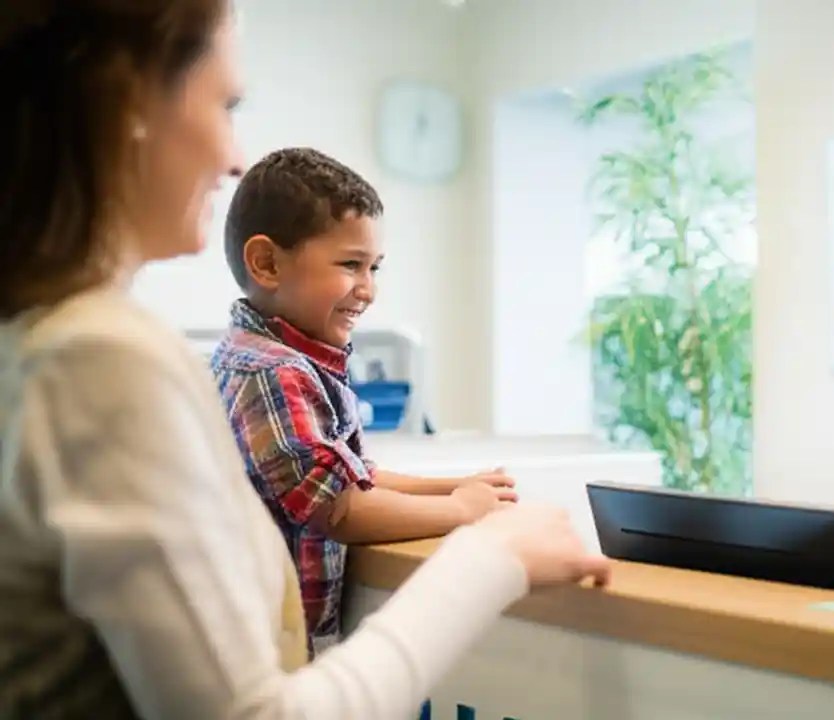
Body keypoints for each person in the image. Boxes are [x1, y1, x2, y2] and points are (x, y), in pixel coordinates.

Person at [0, 2, 610, 717]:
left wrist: (452, 497)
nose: (233, 157)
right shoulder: (98, 359)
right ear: (127, 102)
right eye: (226, 103)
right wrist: (493, 560)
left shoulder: (44, 342)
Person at [212, 146, 517, 655]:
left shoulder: (262, 356)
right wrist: (460, 510)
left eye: (375, 267)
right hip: (267, 653)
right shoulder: (273, 372)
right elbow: (338, 508)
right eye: (351, 265)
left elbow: (347, 473)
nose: (368, 289)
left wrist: (449, 487)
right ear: (266, 263)